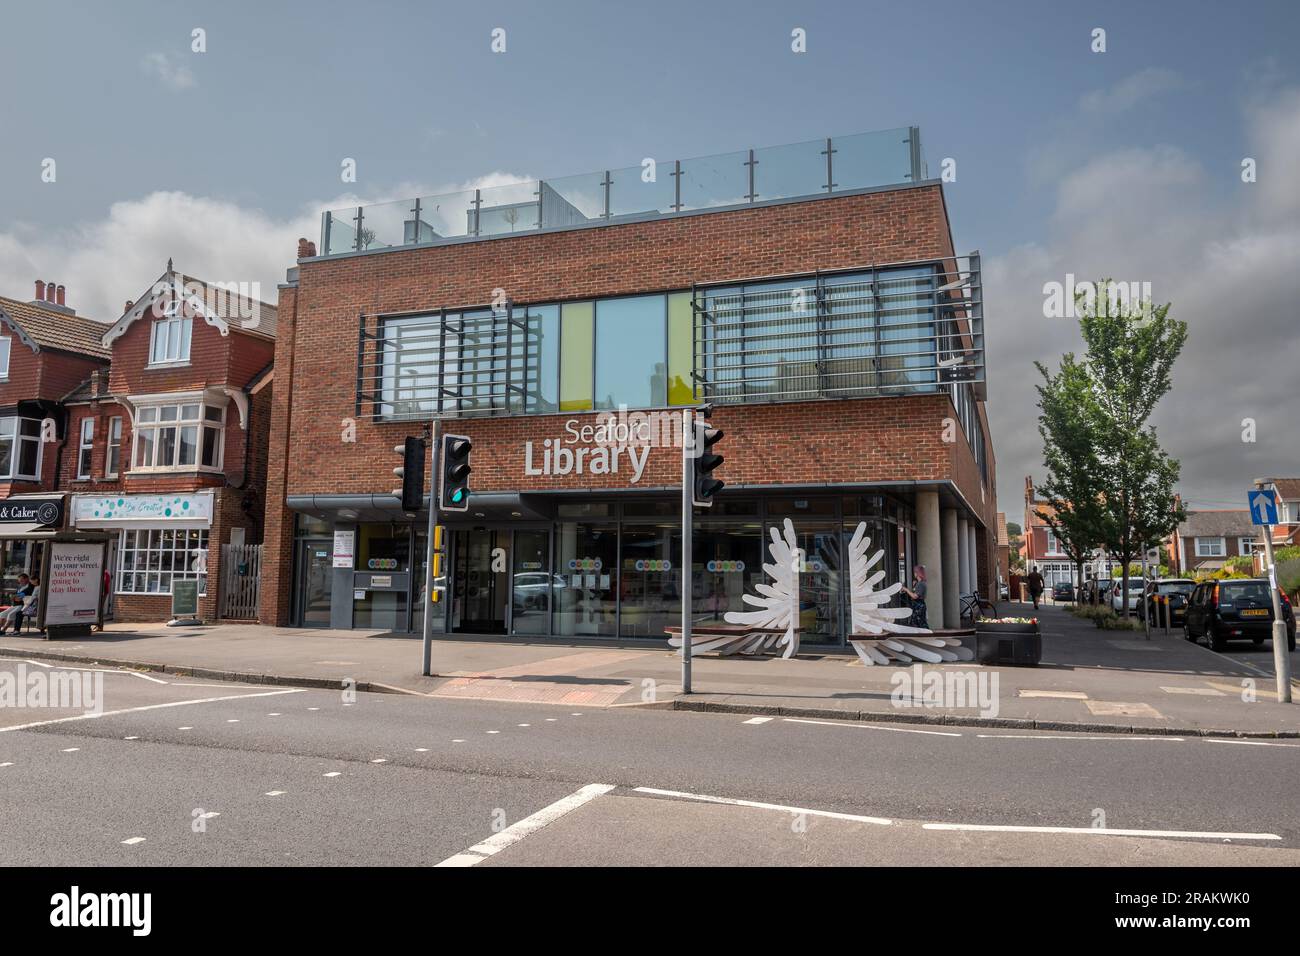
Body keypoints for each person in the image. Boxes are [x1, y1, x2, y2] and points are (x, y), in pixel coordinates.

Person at [900, 564, 929, 629]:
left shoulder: (921, 584)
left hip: (919, 607)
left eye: (915, 572)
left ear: (918, 573)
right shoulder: (919, 583)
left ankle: (926, 636)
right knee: (917, 624)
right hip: (917, 606)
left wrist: (906, 590)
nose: (914, 573)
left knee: (920, 624)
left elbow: (915, 596)